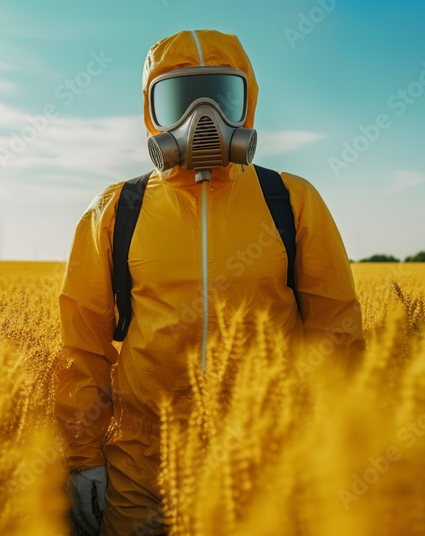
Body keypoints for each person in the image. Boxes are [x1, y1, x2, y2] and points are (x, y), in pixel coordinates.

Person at [55, 29, 364, 536]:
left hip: (269, 455)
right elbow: (83, 344)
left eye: (222, 98)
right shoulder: (115, 210)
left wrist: (332, 444)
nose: (202, 119)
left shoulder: (291, 200)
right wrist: (83, 455)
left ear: (249, 104)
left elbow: (334, 327)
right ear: (152, 113)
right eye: (176, 99)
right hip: (143, 463)